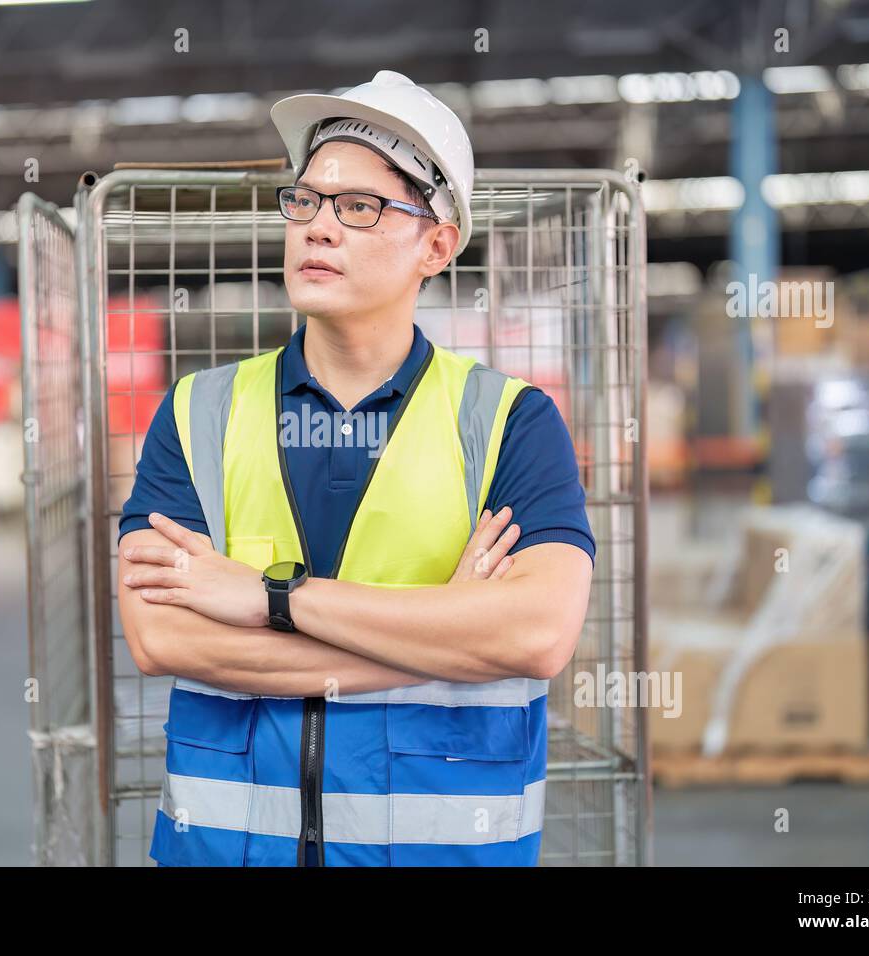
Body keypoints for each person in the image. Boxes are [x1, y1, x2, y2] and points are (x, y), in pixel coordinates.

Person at [116, 70, 595, 867]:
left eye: (360, 207)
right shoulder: (200, 412)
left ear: (437, 245)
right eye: (304, 202)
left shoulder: (509, 422)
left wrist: (269, 596)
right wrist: (439, 629)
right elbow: (159, 633)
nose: (318, 228)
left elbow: (537, 633)